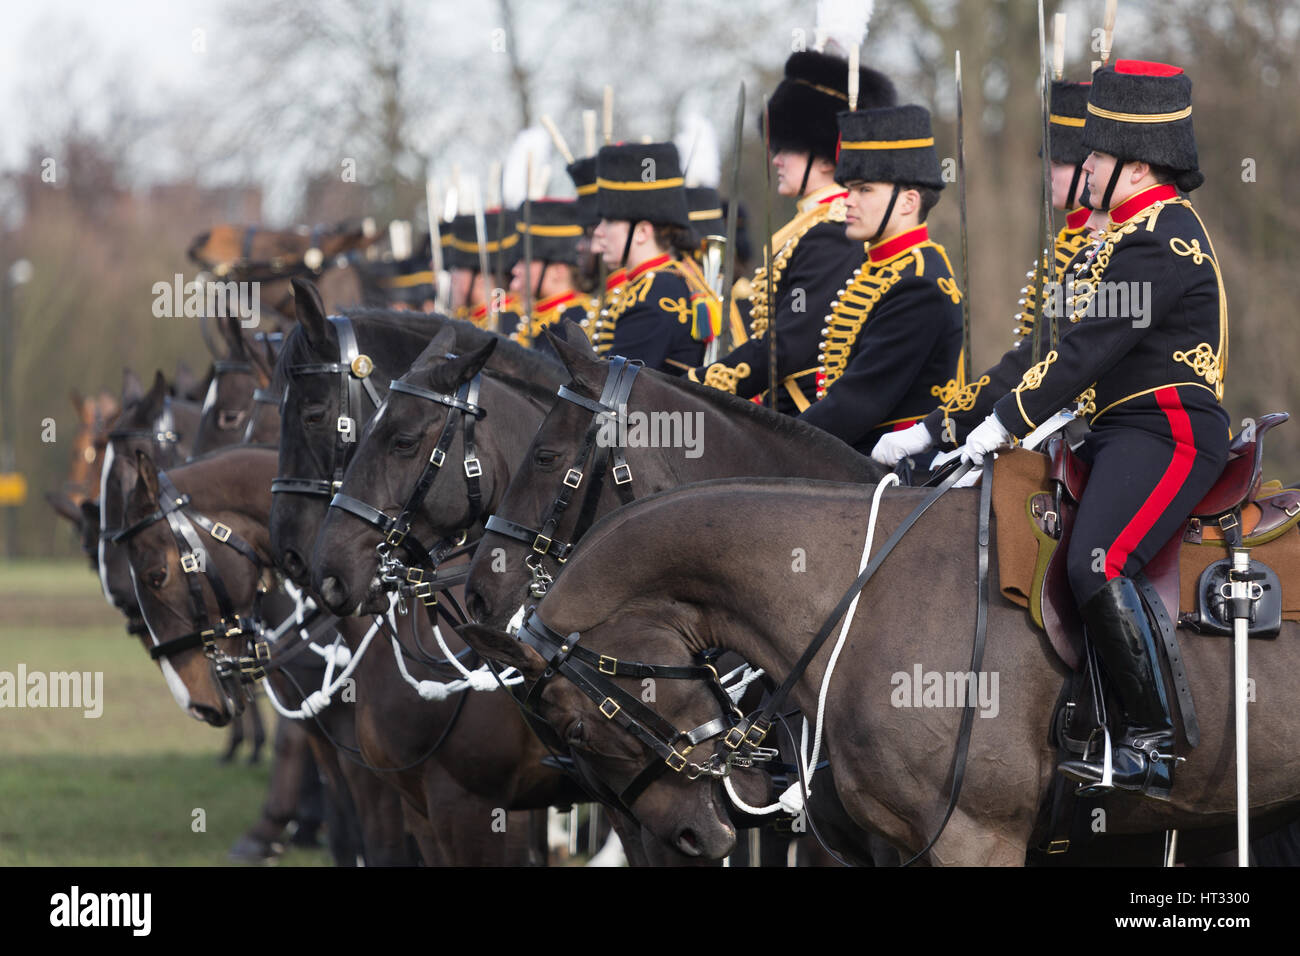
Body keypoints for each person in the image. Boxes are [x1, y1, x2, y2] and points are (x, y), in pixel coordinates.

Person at [898, 61, 1229, 800]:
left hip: (1166, 430)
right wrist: (944, 427)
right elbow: (1037, 352)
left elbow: (1084, 353)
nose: (1085, 170)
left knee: (1098, 562)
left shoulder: (1161, 238)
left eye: (1101, 158)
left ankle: (1150, 739)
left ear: (1138, 166)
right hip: (1110, 431)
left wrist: (1007, 425)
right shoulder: (1108, 241)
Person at [877, 77, 1109, 455]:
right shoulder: (1071, 244)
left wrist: (946, 428)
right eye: (1048, 161)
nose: (1049, 172)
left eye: (1063, 163)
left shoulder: (1110, 246)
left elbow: (1053, 359)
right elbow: (1031, 358)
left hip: (1085, 427)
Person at [687, 51, 896, 414]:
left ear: (827, 153)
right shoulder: (809, 224)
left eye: (788, 148)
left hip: (808, 410)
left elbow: (792, 343)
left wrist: (698, 384)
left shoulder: (835, 229)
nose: (776, 159)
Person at [791, 104, 962, 454]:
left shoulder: (918, 283)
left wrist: (776, 444)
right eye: (849, 188)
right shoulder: (883, 268)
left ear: (907, 202)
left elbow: (857, 404)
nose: (847, 201)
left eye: (864, 190)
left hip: (892, 470)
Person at [589, 142, 713, 375]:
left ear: (643, 232)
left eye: (610, 221)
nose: (598, 232)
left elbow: (613, 389)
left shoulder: (655, 292)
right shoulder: (649, 285)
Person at [509, 198, 591, 356]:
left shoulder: (575, 320)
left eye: (526, 261)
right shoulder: (532, 319)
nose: (516, 269)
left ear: (557, 271)